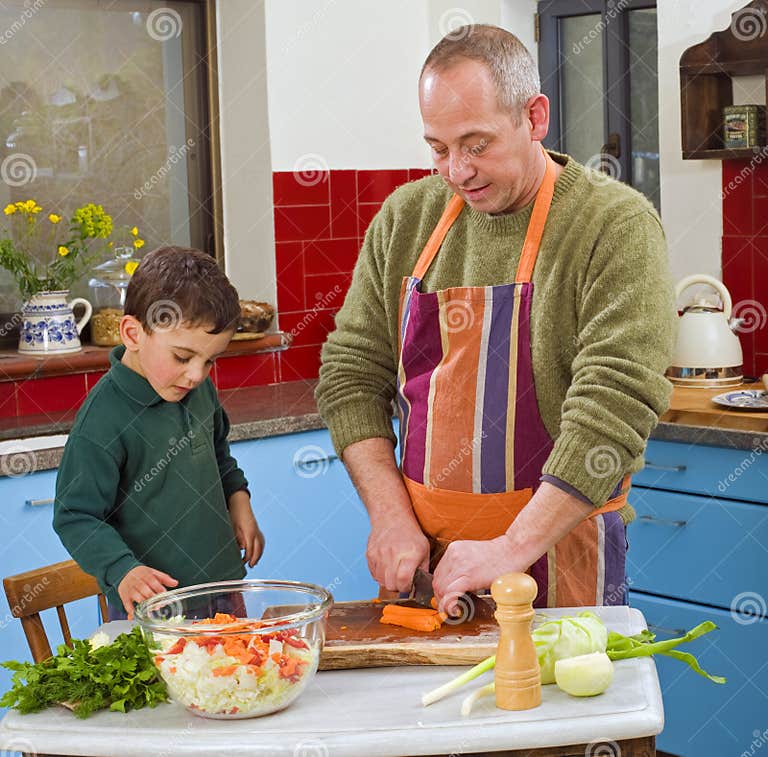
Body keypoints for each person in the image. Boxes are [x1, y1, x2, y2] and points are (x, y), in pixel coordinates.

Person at [315, 25, 676, 613]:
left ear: (535, 117)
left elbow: (615, 405)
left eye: (476, 144)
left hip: (559, 555)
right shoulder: (406, 218)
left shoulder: (613, 225)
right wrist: (389, 517)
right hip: (426, 564)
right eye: (438, 148)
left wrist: (512, 545)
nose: (457, 170)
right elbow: (352, 374)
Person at [54, 246, 264, 619]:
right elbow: (76, 516)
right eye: (183, 357)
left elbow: (219, 454)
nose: (197, 374)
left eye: (210, 360)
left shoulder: (196, 388)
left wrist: (239, 499)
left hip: (223, 588)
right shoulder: (102, 420)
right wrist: (122, 570)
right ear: (133, 333)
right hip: (154, 607)